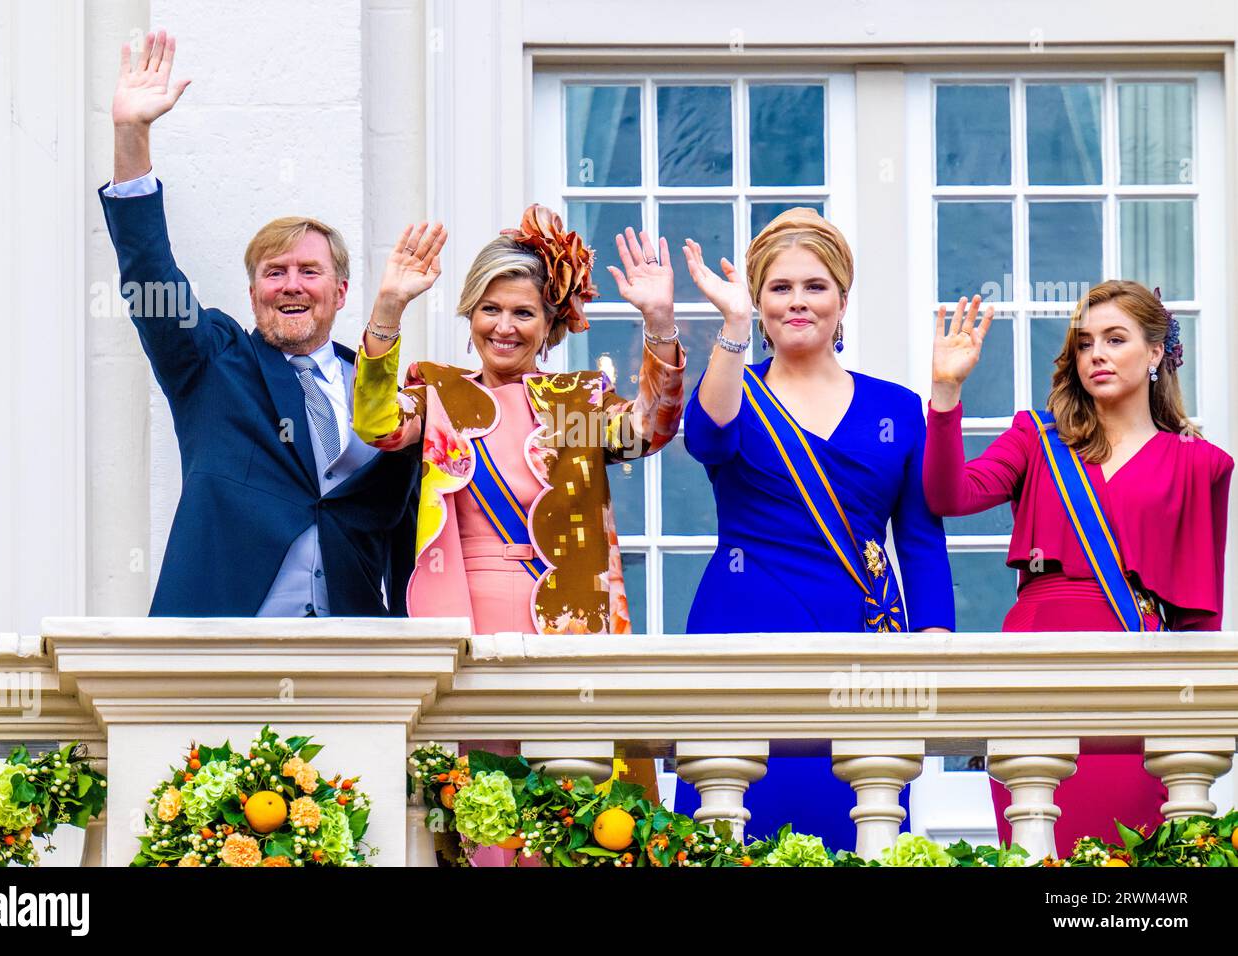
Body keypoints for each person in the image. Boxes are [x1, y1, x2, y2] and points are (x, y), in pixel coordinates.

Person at [101, 31, 417, 617]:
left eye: (309, 271)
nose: (291, 285)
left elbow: (408, 536)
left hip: (356, 663)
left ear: (340, 291)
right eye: (275, 272)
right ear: (253, 293)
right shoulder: (213, 361)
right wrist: (132, 136)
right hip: (223, 654)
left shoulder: (385, 390)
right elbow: (151, 276)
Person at [672, 208, 955, 850]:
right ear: (759, 303)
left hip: (864, 640)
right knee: (734, 828)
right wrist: (732, 329)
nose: (797, 302)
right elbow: (709, 439)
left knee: (859, 826)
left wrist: (937, 641)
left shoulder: (897, 407)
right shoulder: (731, 387)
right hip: (743, 624)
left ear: (842, 300)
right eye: (779, 288)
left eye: (814, 286)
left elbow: (919, 537)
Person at [922, 282, 1233, 856]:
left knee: (1124, 856)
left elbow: (1199, 618)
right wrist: (945, 395)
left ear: (1157, 352)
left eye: (1116, 339)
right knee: (1039, 844)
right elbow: (948, 495)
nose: (1097, 354)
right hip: (1032, 662)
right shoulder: (1035, 437)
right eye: (1085, 342)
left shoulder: (1201, 463)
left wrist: (1191, 720)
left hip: (1138, 674)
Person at [352, 206, 684, 635]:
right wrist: (389, 307)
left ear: (550, 324)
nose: (504, 327)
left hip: (570, 623)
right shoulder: (438, 392)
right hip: (460, 617)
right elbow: (377, 424)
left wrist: (659, 322)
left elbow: (648, 429)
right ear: (471, 315)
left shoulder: (577, 402)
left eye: (524, 314)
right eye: (490, 309)